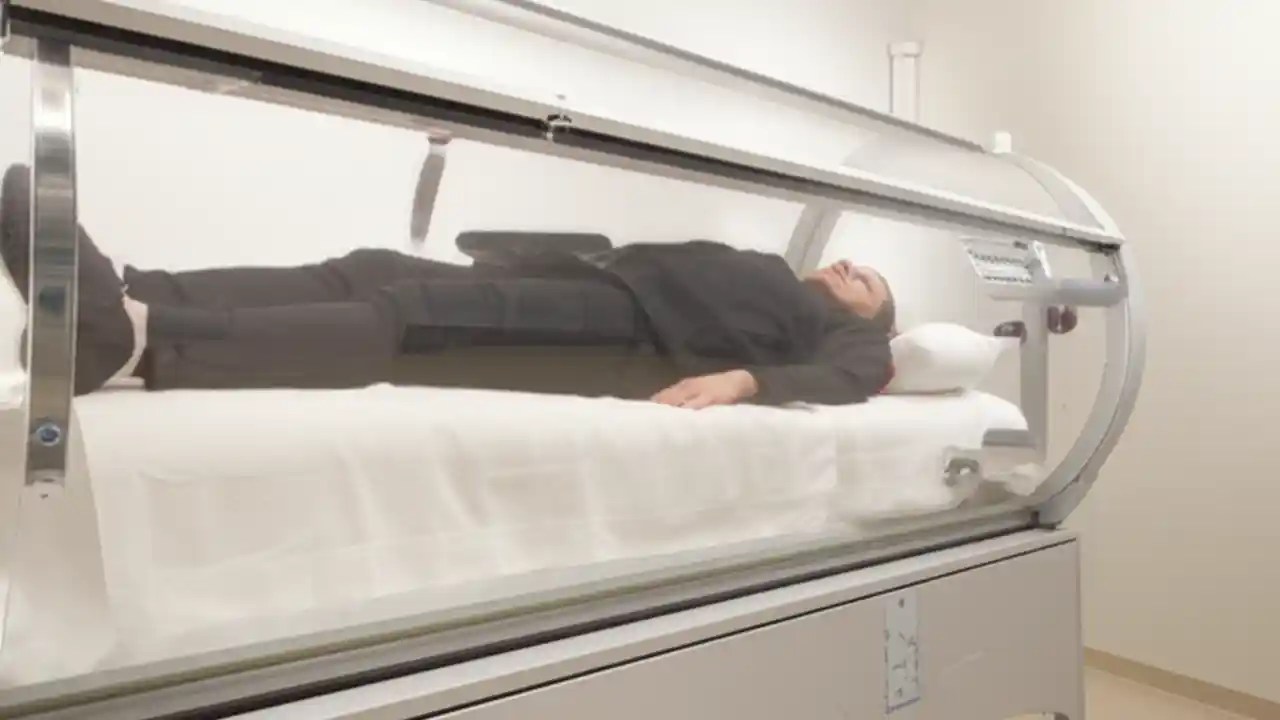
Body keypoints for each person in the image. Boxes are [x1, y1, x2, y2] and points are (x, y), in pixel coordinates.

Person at [1, 164, 894, 407]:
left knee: (409, 321)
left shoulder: (846, 344)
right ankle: (129, 291)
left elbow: (860, 378)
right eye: (855, 260)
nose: (853, 269)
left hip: (623, 335)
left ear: (874, 320)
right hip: (591, 286)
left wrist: (747, 381)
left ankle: (138, 346)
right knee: (371, 269)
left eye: (871, 284)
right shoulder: (778, 271)